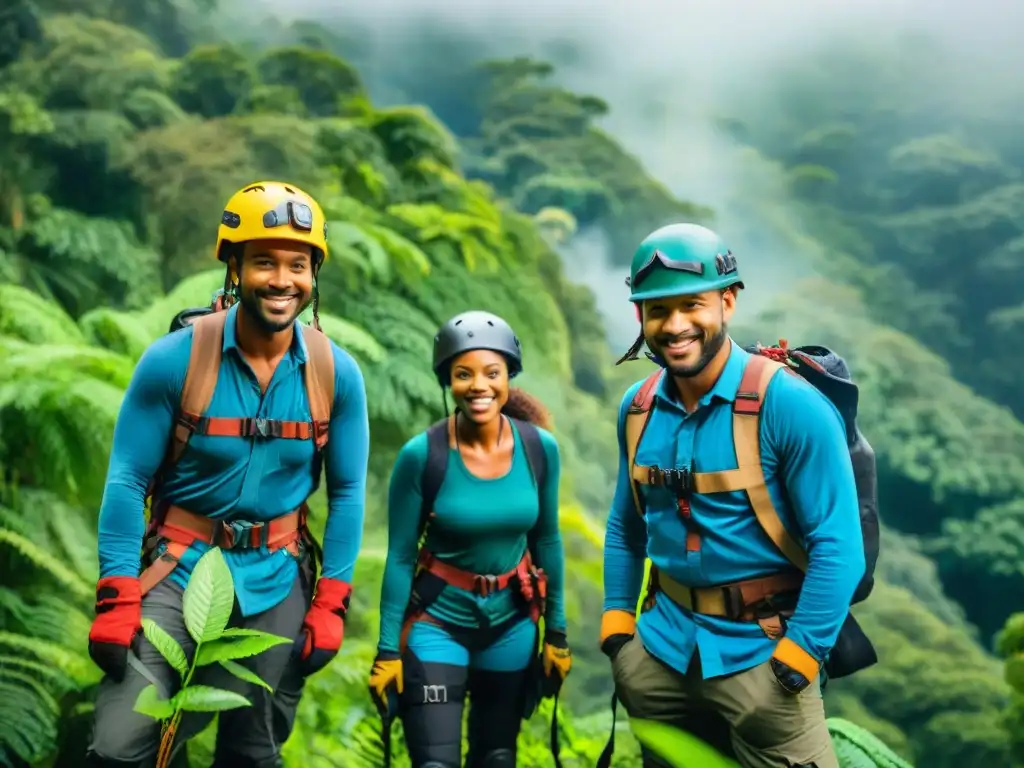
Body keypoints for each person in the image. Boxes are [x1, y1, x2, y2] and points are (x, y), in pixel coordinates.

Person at [86, 180, 370, 767]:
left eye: (298, 265)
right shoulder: (175, 361)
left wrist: (331, 600)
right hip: (176, 568)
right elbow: (126, 481)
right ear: (234, 266)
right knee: (118, 747)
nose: (283, 280)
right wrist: (116, 596)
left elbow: (346, 493)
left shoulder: (335, 375)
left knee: (253, 754)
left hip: (276, 575)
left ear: (314, 275)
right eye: (264, 262)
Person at [599, 223, 865, 768]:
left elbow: (839, 545)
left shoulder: (788, 406)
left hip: (762, 657)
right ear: (640, 317)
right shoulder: (638, 406)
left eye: (690, 305)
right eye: (656, 310)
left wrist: (798, 657)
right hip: (662, 653)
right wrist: (619, 627)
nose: (674, 326)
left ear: (727, 301)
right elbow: (626, 528)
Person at [369, 311, 570, 768]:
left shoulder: (539, 450)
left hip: (512, 627)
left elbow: (549, 543)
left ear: (508, 377)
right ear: (448, 381)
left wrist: (556, 635)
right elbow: (400, 557)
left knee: (496, 757)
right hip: (437, 626)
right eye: (464, 374)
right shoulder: (422, 456)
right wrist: (386, 651)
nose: (479, 386)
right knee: (435, 763)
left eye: (491, 373)